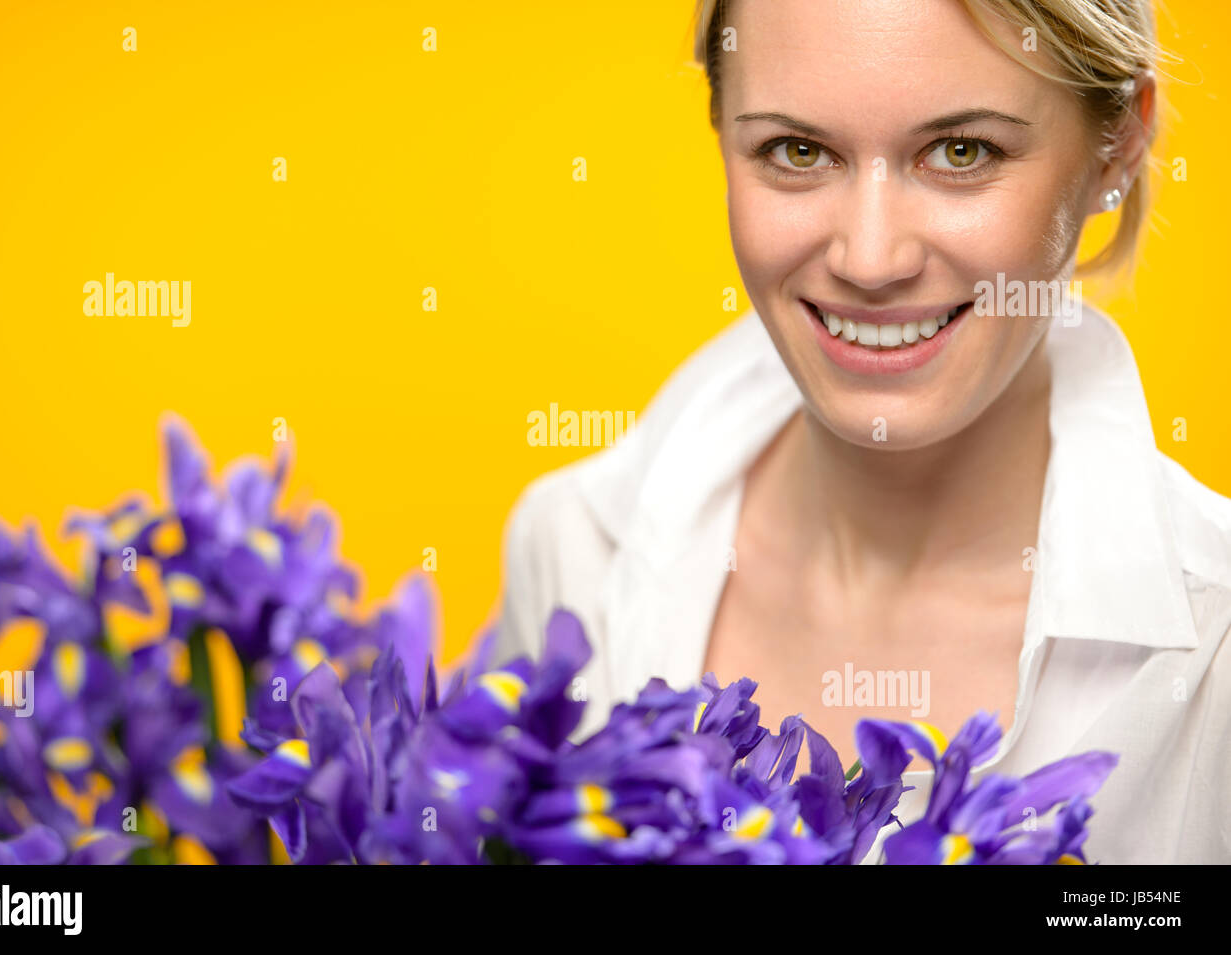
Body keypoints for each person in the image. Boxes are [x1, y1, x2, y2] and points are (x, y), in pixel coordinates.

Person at [495, 0, 1231, 864]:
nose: (870, 259)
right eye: (798, 152)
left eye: (962, 152)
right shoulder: (571, 549)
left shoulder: (1214, 649)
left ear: (1120, 142)